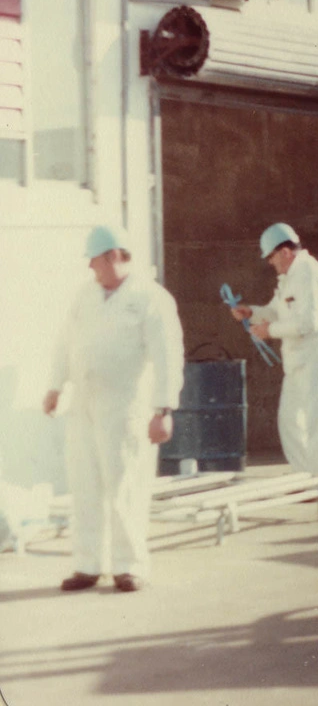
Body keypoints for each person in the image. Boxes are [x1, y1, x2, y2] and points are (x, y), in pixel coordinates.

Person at [42, 225, 184, 592]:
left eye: (94, 260)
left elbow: (168, 355)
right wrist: (56, 385)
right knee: (85, 484)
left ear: (114, 256)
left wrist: (164, 408)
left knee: (126, 485)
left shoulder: (150, 298)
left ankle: (130, 565)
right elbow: (64, 341)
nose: (91, 268)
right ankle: (88, 564)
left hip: (126, 407)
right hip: (85, 405)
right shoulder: (85, 295)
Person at [229, 223, 318, 476]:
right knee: (290, 420)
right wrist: (252, 312)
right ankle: (307, 476)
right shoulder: (290, 277)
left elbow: (310, 322)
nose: (270, 263)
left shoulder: (309, 273)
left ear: (285, 252)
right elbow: (276, 310)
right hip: (299, 357)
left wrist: (269, 331)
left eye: (271, 257)